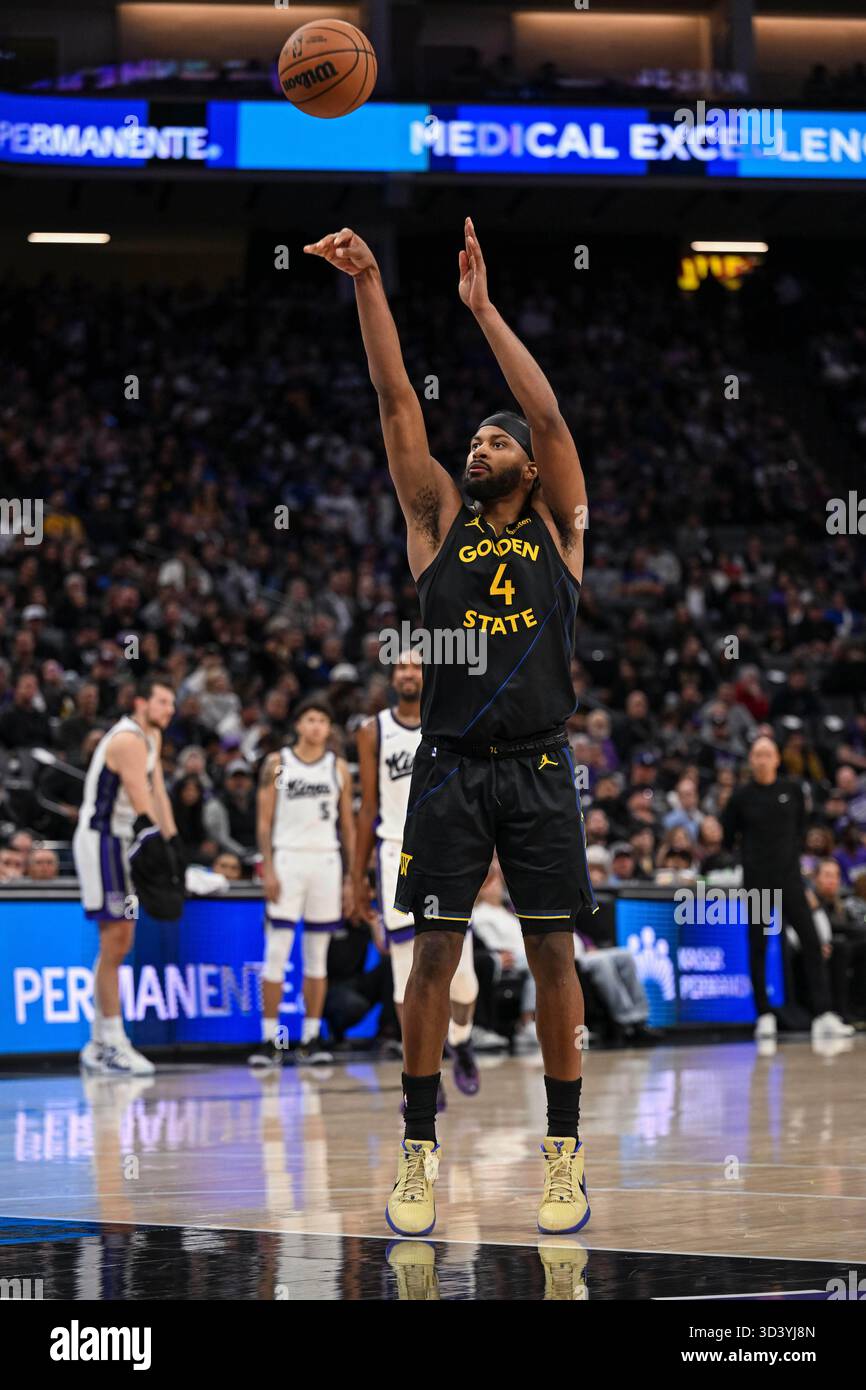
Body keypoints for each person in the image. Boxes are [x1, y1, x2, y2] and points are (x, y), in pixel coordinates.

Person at [306, 218, 594, 1237]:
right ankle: (416, 1153)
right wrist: (370, 283)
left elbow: (552, 419)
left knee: (555, 958)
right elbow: (393, 401)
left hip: (539, 765)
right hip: (448, 768)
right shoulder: (435, 517)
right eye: (473, 438)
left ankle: (562, 1156)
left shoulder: (562, 526)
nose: (478, 446)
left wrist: (480, 311)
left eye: (494, 439)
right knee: (429, 957)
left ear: (525, 463)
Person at [353, 652, 481, 1102]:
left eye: (417, 666)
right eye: (401, 667)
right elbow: (366, 808)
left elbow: (474, 792)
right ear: (392, 677)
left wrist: (488, 858)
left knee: (462, 981)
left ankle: (461, 1044)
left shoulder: (454, 719)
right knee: (405, 976)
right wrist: (356, 878)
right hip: (394, 854)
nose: (408, 673)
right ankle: (422, 1078)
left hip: (449, 852)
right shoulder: (372, 732)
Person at [72, 673, 180, 1075]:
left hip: (119, 843)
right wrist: (159, 847)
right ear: (141, 703)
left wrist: (174, 844)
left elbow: (159, 792)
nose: (170, 709)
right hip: (103, 842)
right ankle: (109, 1043)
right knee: (116, 938)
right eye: (163, 701)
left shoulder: (152, 738)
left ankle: (101, 1042)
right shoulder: (128, 740)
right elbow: (140, 799)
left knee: (122, 938)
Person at [722, 736, 853, 1042]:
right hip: (756, 882)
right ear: (751, 760)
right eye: (757, 754)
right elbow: (728, 838)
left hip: (790, 880)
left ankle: (823, 1014)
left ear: (777, 759)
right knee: (758, 946)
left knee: (811, 940)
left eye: (767, 754)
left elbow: (800, 830)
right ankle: (764, 1015)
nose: (762, 759)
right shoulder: (740, 797)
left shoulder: (792, 790)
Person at [249, 697, 355, 1068]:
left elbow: (348, 826)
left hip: (326, 860)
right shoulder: (278, 763)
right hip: (288, 858)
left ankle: (310, 1037)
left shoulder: (337, 767)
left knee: (317, 957)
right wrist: (269, 866)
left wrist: (350, 876)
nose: (316, 727)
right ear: (298, 725)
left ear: (329, 729)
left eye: (323, 721)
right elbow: (264, 821)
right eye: (310, 719)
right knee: (276, 952)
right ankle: (269, 1039)